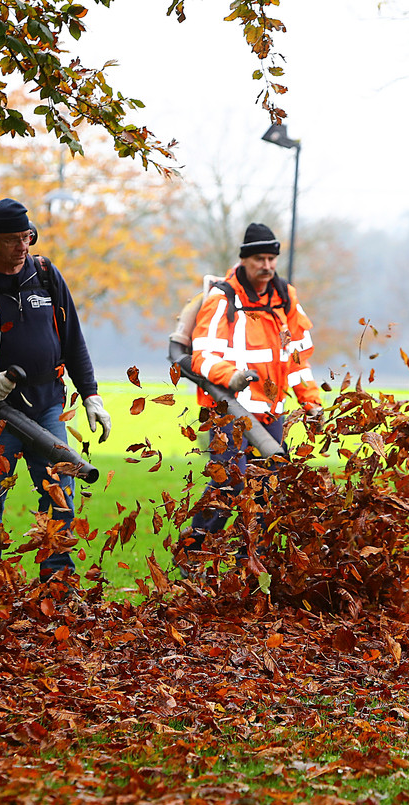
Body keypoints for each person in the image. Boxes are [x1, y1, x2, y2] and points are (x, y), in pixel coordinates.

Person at [0, 199, 110, 585]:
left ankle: (57, 582)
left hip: (48, 408)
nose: (22, 247)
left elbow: (73, 341)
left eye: (26, 237)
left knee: (61, 495)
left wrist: (91, 394)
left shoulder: (46, 275)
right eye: (12, 239)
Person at [180, 222, 321, 561]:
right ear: (244, 260)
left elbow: (298, 359)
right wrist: (231, 377)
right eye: (259, 258)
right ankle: (192, 551)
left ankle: (251, 563)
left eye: (272, 259)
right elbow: (203, 356)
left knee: (268, 490)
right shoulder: (222, 299)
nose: (267, 266)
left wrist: (311, 400)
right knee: (230, 483)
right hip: (228, 410)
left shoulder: (286, 298)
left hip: (270, 412)